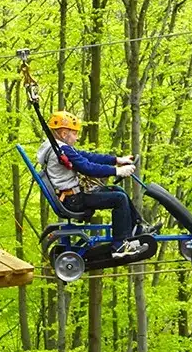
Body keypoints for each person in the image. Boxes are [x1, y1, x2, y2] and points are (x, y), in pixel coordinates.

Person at [36, 110, 147, 258]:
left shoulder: (57, 148)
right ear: (63, 134)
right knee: (119, 199)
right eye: (75, 133)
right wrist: (117, 171)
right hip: (74, 200)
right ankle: (120, 246)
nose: (77, 137)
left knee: (116, 189)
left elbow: (88, 157)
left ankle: (137, 229)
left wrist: (116, 160)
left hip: (73, 197)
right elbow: (87, 167)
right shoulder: (61, 149)